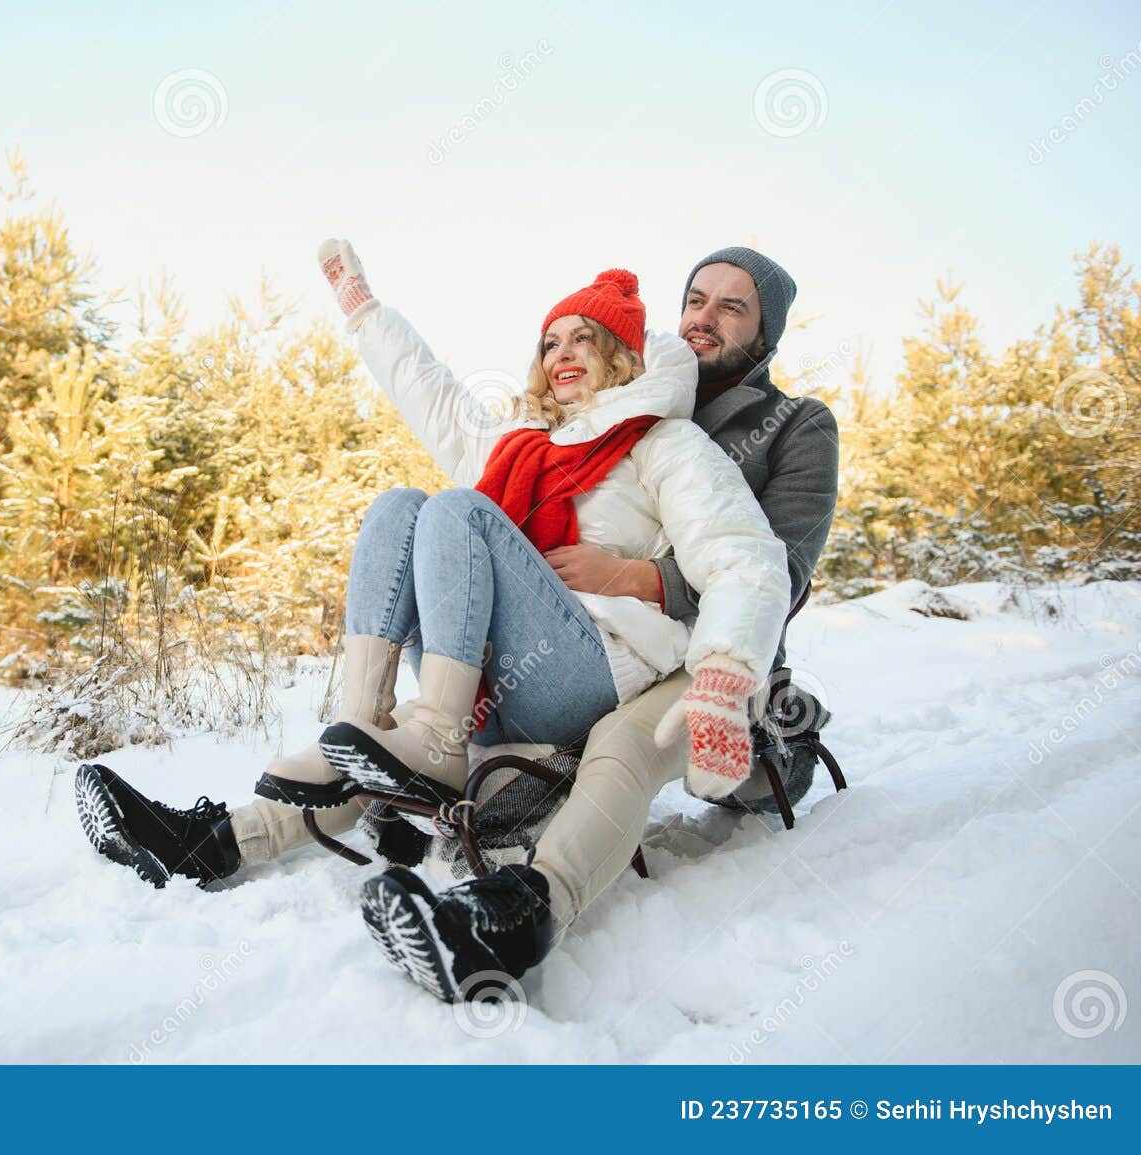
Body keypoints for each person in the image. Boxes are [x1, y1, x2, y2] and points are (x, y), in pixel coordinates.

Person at [74, 241, 791, 909]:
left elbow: (743, 555)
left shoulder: (665, 443)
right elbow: (434, 397)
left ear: (621, 352)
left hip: (592, 669)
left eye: (584, 337)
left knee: (460, 512)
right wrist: (365, 314)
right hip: (499, 675)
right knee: (401, 507)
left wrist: (728, 670)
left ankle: (438, 740)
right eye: (550, 341)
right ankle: (247, 811)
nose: (562, 353)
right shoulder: (518, 444)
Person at [358, 246, 842, 1003]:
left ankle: (521, 913)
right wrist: (368, 316)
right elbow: (454, 421)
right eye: (696, 300)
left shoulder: (792, 424)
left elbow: (774, 563)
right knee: (477, 717)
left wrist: (639, 578)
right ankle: (271, 822)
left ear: (767, 330)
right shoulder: (621, 404)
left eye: (733, 307)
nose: (705, 318)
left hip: (718, 648)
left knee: (623, 742)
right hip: (606, 638)